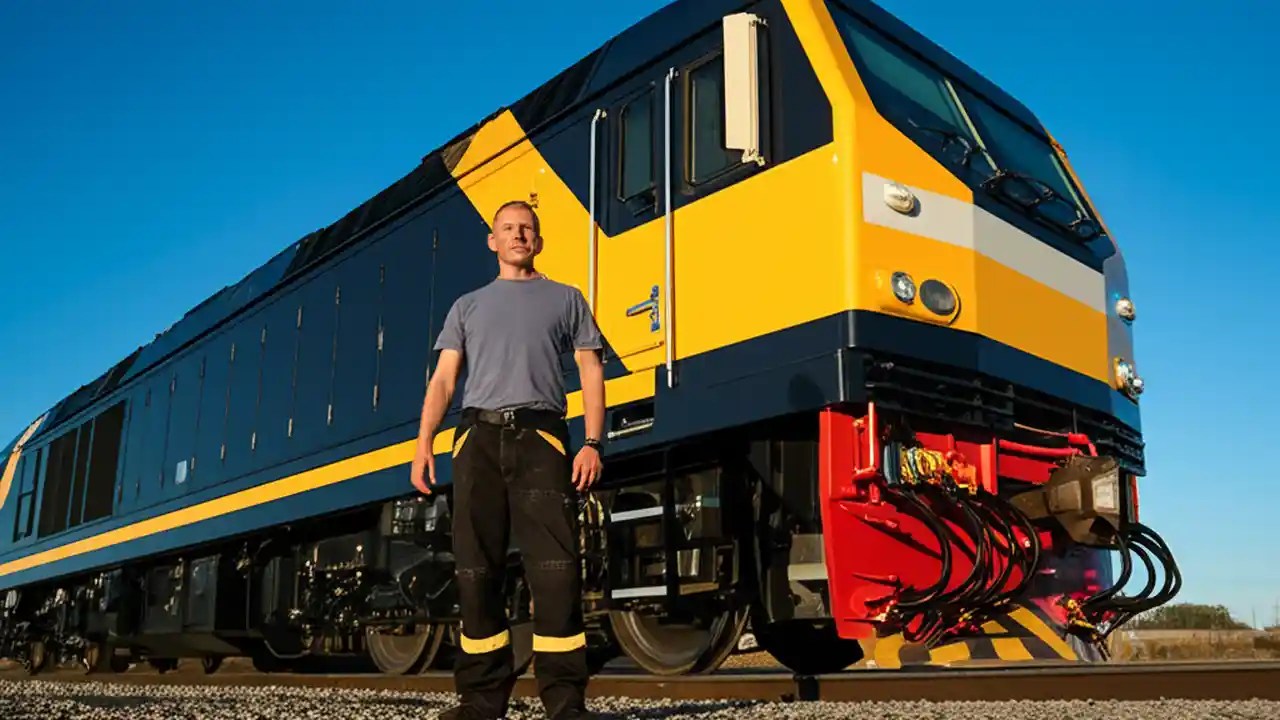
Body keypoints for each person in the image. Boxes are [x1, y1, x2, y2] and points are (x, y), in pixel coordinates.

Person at [410, 200, 606, 720]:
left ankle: (565, 704)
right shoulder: (467, 306)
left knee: (556, 569)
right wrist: (424, 441)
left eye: (527, 228)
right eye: (508, 228)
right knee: (476, 571)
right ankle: (480, 703)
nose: (519, 234)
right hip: (475, 439)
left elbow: (589, 370)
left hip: (541, 437)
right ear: (492, 241)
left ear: (538, 241)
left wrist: (592, 441)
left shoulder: (567, 299)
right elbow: (445, 380)